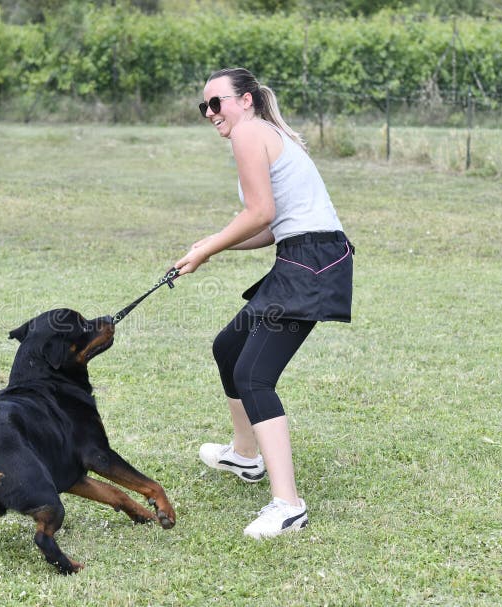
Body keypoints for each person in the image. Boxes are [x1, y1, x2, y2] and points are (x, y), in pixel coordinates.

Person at [173, 67, 353, 539]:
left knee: (254, 375)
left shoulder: (250, 132)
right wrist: (212, 247)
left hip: (312, 262)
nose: (211, 113)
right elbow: (274, 226)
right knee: (228, 348)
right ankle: (245, 455)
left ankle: (288, 506)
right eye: (204, 106)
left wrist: (209, 245)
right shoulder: (262, 132)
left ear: (247, 100)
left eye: (219, 103)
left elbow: (261, 213)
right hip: (300, 254)